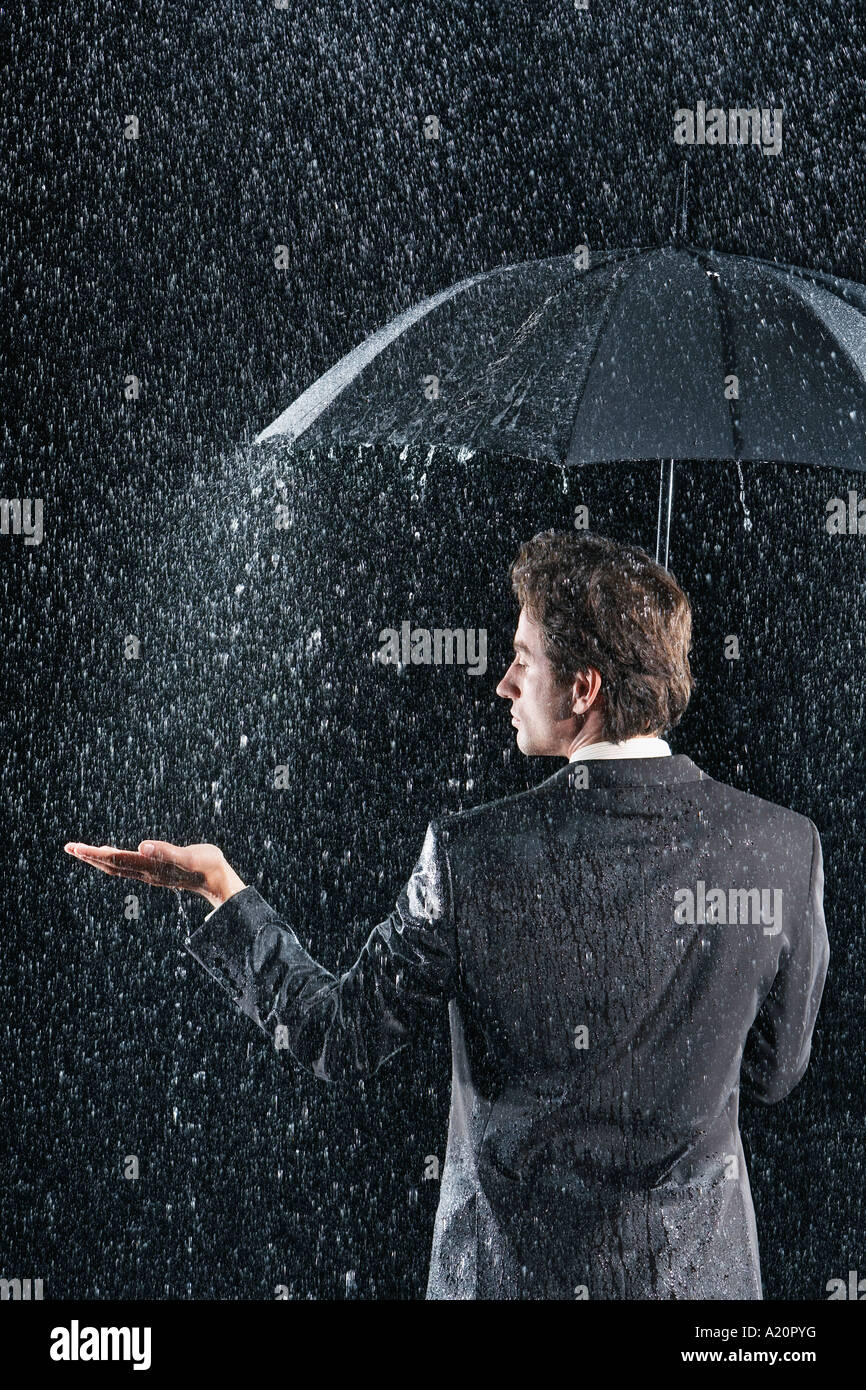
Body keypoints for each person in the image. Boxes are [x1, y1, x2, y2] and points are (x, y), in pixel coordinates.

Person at [65, 530, 829, 1300]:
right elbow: (771, 1074)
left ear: (585, 689)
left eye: (523, 660)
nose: (504, 684)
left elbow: (339, 1037)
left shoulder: (468, 856)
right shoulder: (781, 849)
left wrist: (222, 893)